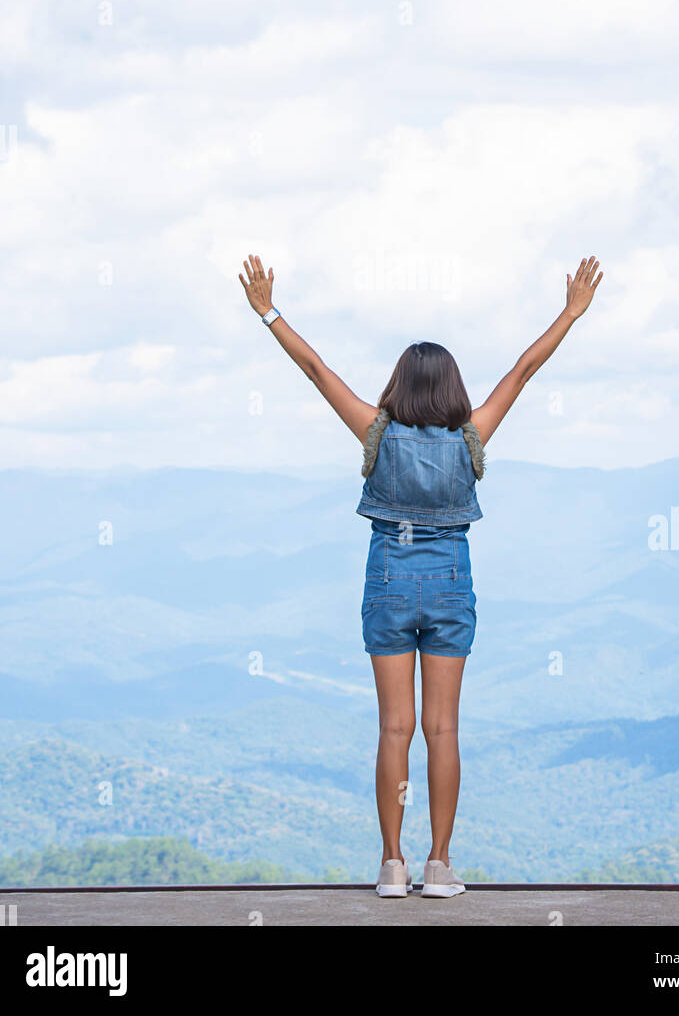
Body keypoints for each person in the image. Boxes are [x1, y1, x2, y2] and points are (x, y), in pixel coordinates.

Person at [239, 253, 603, 897]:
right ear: (452, 387)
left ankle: (391, 863)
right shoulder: (470, 438)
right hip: (449, 586)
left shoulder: (375, 433)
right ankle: (439, 863)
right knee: (443, 729)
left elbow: (318, 371)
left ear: (399, 385)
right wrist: (570, 314)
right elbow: (521, 372)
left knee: (394, 730)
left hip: (387, 583)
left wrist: (269, 311)